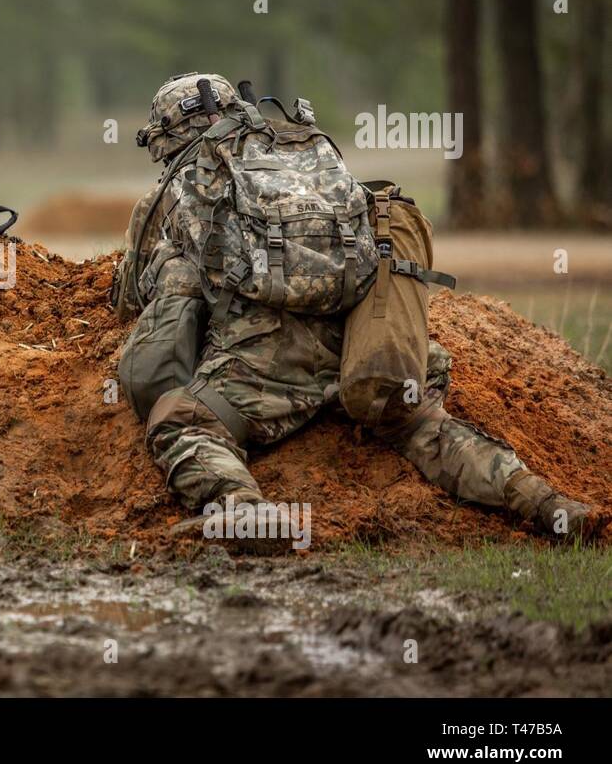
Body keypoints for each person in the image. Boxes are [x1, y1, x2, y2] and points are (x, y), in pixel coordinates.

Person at [113, 72, 595, 544]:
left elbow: (132, 300)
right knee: (426, 428)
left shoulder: (177, 192)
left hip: (267, 367)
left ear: (166, 136)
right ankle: (545, 502)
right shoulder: (301, 156)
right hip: (364, 340)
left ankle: (244, 512)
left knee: (181, 420)